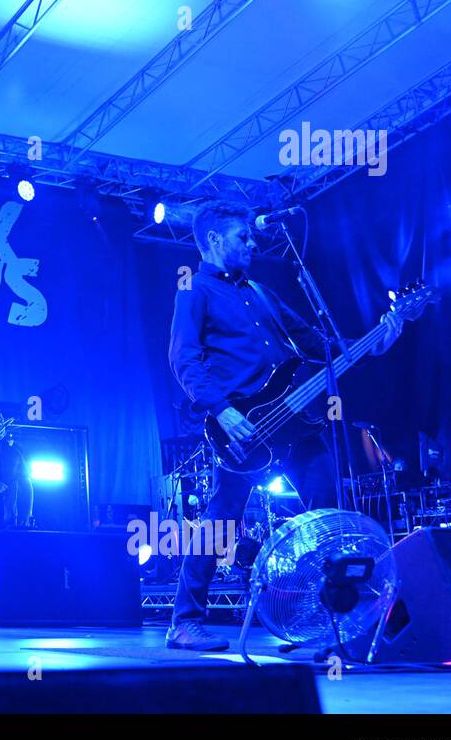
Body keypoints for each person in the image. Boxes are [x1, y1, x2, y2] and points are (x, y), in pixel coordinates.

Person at [164, 202, 402, 651]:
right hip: (243, 428)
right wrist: (221, 409)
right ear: (214, 240)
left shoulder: (262, 292)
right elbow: (184, 358)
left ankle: (321, 621)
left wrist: (377, 340)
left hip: (296, 424)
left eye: (251, 238)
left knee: (327, 508)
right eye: (243, 238)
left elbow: (320, 344)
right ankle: (184, 622)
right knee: (220, 524)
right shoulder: (193, 290)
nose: (252, 244)